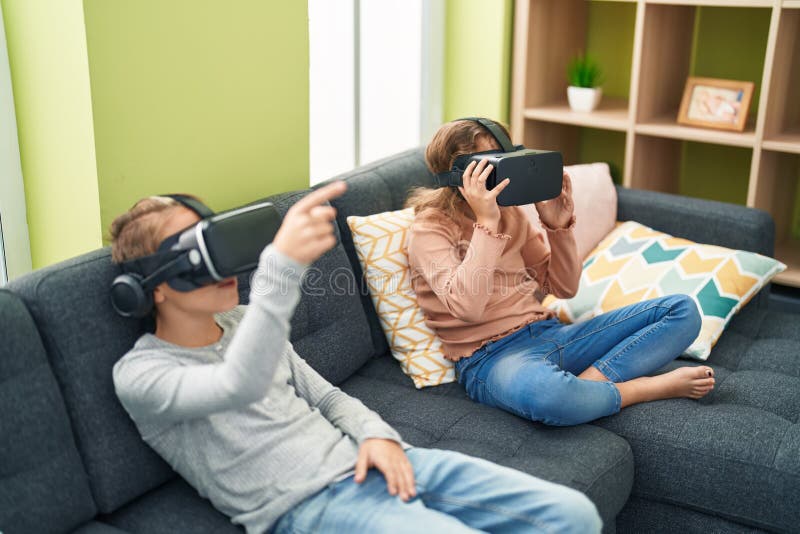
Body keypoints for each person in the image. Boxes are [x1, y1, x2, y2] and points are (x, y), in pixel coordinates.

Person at [110, 182, 602, 534]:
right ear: (147, 290)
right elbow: (239, 384)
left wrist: (380, 436)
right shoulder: (142, 374)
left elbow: (324, 396)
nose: (220, 268)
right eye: (195, 254)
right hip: (309, 505)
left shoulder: (242, 321)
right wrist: (280, 270)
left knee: (573, 515)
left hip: (380, 460)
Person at [405, 119, 715, 427]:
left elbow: (564, 288)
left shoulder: (510, 214)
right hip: (490, 358)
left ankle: (587, 388)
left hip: (550, 333)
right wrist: (487, 223)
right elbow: (467, 308)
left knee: (682, 311)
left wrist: (558, 226)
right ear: (461, 174)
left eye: (506, 159)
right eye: (491, 165)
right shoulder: (429, 229)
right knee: (548, 395)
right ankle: (642, 389)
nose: (502, 175)